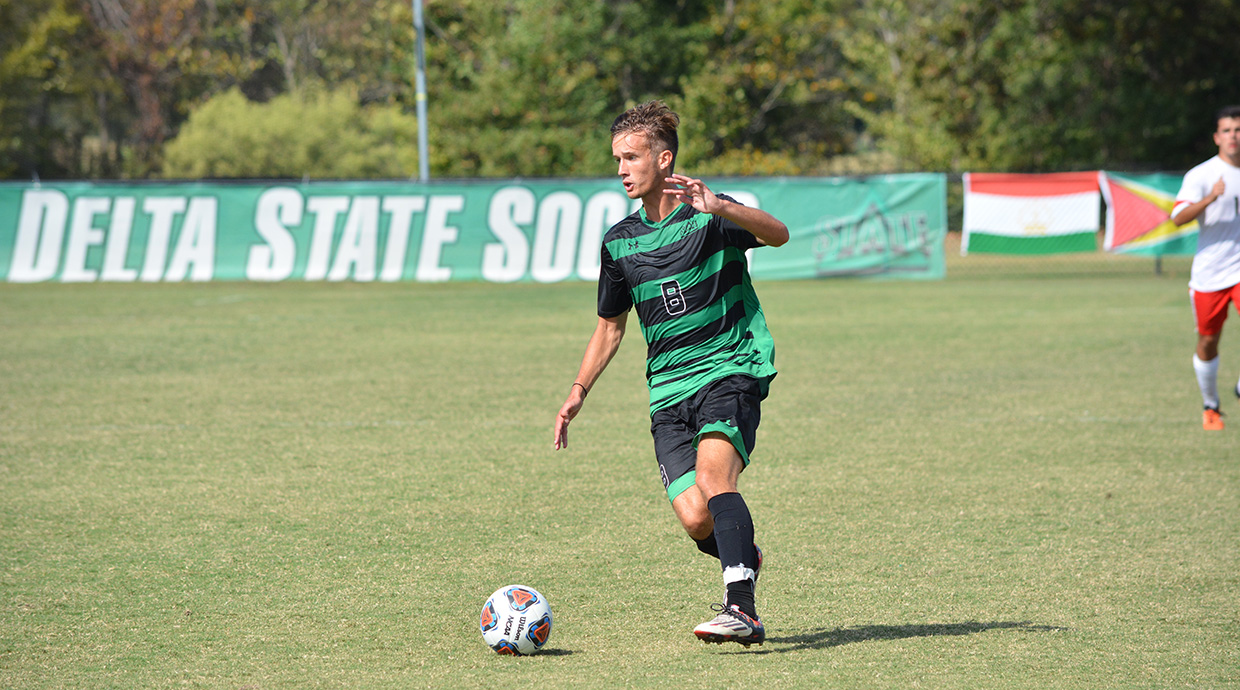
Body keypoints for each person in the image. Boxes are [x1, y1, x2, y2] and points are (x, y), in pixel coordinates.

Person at [552, 100, 788, 646]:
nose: (621, 170)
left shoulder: (711, 214)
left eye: (631, 157)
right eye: (617, 159)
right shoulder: (619, 242)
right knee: (694, 517)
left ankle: (741, 608)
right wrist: (577, 392)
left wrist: (725, 208)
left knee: (714, 481)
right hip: (668, 388)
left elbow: (779, 235)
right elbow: (610, 328)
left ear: (664, 159)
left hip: (730, 365)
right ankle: (741, 554)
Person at [1172, 105, 1240, 431]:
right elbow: (1178, 218)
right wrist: (1210, 198)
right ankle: (1211, 405)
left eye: (1238, 130)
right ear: (1217, 137)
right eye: (1227, 130)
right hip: (1211, 273)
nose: (1233, 136)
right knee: (1208, 342)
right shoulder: (1201, 175)